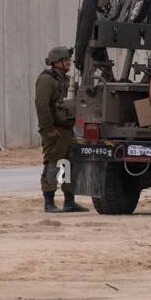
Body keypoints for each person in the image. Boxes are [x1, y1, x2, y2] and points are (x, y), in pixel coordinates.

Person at [36, 46, 85, 213]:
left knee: (69, 165)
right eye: (66, 60)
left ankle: (69, 201)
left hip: (67, 128)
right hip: (54, 130)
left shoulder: (64, 79)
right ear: (56, 62)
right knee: (53, 164)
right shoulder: (46, 80)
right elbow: (42, 105)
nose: (68, 63)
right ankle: (49, 202)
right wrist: (48, 128)